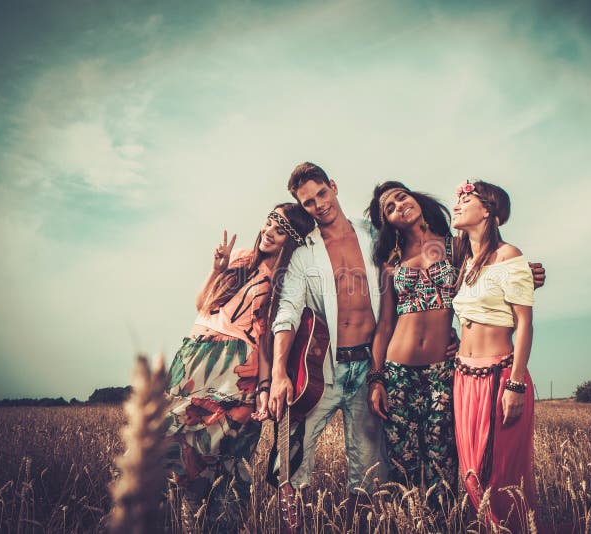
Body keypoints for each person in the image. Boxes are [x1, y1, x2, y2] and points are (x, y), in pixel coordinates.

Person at [164, 203, 314, 516]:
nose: (269, 233)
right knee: (170, 437)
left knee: (215, 448)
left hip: (233, 364)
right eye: (270, 223)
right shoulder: (241, 256)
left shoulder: (281, 280)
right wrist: (217, 268)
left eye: (281, 231)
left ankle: (208, 517)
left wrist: (262, 386)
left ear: (292, 241)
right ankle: (181, 514)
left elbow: (264, 338)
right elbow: (202, 304)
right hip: (194, 356)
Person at [268, 162, 392, 527]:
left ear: (333, 187)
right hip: (322, 371)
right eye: (308, 202)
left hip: (370, 367)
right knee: (290, 462)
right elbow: (288, 310)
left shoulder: (372, 233)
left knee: (369, 472)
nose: (319, 204)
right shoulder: (304, 251)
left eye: (322, 193)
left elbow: (424, 259)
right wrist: (278, 372)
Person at [365, 181, 460, 507]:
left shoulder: (454, 246)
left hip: (441, 372)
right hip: (398, 372)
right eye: (388, 208)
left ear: (415, 198)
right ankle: (411, 524)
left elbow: (487, 283)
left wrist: (523, 273)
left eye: (400, 197)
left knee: (442, 460)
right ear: (388, 222)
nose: (398, 206)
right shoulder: (391, 261)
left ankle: (446, 525)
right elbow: (385, 325)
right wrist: (377, 379)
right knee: (404, 463)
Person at [451, 180, 538, 531]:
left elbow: (526, 325)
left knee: (500, 477)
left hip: (500, 376)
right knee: (471, 473)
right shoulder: (464, 260)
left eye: (465, 199)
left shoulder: (510, 256)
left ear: (488, 210)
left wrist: (515, 383)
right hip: (463, 378)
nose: (457, 204)